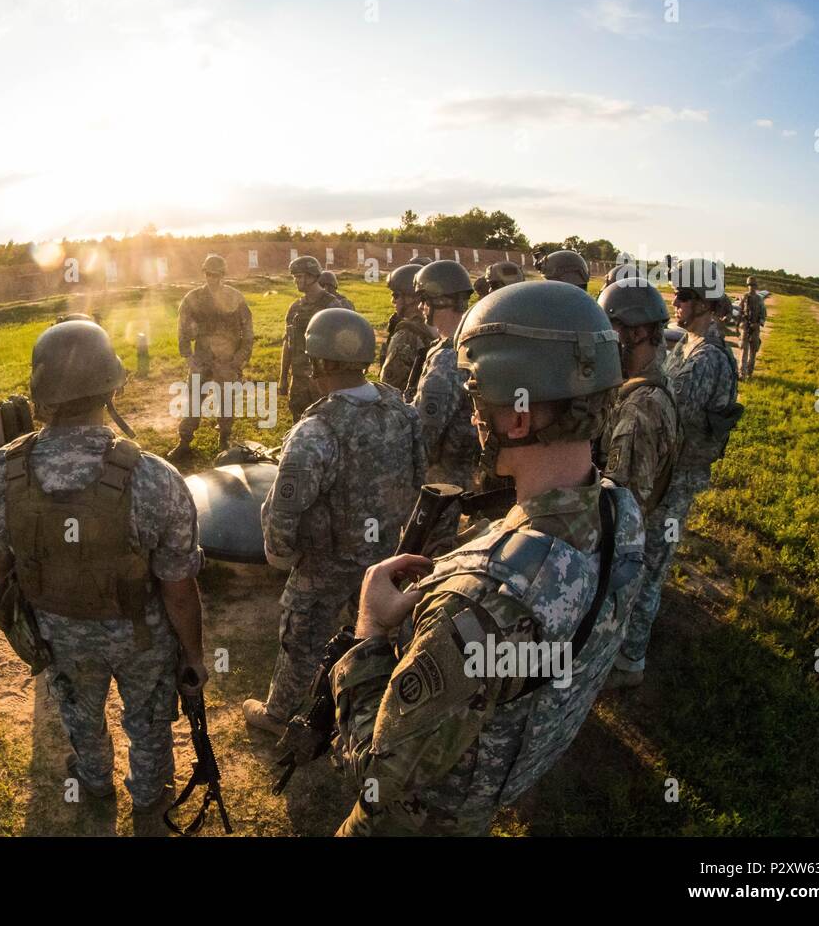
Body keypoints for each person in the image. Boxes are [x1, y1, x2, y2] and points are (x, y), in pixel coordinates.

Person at [330, 280, 645, 835]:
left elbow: (376, 775)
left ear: (518, 420)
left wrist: (370, 631)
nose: (474, 417)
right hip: (491, 790)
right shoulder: (622, 513)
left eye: (477, 400)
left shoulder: (476, 608)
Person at [0, 319, 207, 834]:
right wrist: (193, 657)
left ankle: (95, 779)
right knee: (149, 723)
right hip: (141, 633)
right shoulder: (154, 476)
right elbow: (179, 588)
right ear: (113, 385)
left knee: (79, 713)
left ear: (39, 391)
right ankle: (149, 795)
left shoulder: (0, 470)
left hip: (57, 630)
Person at [244, 309, 424, 736]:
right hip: (383, 556)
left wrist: (280, 554)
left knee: (302, 639)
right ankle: (379, 710)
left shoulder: (315, 431)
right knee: (374, 633)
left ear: (317, 363)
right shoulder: (402, 410)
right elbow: (419, 477)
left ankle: (279, 714)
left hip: (325, 563)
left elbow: (285, 510)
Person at [607, 259, 740, 690]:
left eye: (683, 297)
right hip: (667, 473)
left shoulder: (707, 358)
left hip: (676, 480)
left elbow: (672, 420)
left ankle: (631, 660)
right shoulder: (690, 344)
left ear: (704, 303)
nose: (675, 303)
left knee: (650, 566)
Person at [595, 278, 680, 518]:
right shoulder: (655, 380)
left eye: (609, 330)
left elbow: (622, 508)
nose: (604, 340)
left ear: (637, 332)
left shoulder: (640, 407)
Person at [168, 254, 254, 461]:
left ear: (223, 275)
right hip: (202, 360)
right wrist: (190, 359)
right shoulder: (193, 298)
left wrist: (238, 360)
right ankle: (184, 442)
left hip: (227, 361)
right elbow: (182, 331)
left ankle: (224, 439)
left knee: (225, 402)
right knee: (193, 402)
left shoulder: (235, 298)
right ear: (204, 273)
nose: (212, 279)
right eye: (209, 274)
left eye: (216, 275)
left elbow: (248, 332)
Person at [408, 260, 480, 489]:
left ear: (438, 300)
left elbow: (425, 431)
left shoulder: (447, 358)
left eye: (423, 300)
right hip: (469, 471)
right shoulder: (474, 341)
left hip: (443, 480)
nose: (420, 307)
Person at [280, 256, 341, 420]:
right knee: (298, 423)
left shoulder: (331, 305)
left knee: (325, 423)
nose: (296, 281)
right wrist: (283, 378)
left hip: (322, 381)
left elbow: (340, 347)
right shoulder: (295, 308)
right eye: (295, 277)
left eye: (299, 277)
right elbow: (288, 343)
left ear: (312, 276)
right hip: (298, 380)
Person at [380, 264, 433, 391]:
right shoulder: (434, 327)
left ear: (411, 298)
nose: (393, 301)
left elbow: (389, 386)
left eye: (396, 295)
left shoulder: (406, 334)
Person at [739, 277, 766, 379]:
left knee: (753, 351)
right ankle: (742, 373)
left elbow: (763, 314)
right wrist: (740, 324)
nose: (751, 287)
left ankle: (750, 372)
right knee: (743, 350)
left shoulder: (759, 299)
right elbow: (740, 311)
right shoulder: (744, 297)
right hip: (745, 327)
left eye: (753, 285)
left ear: (756, 286)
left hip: (755, 328)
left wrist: (758, 323)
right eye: (749, 285)